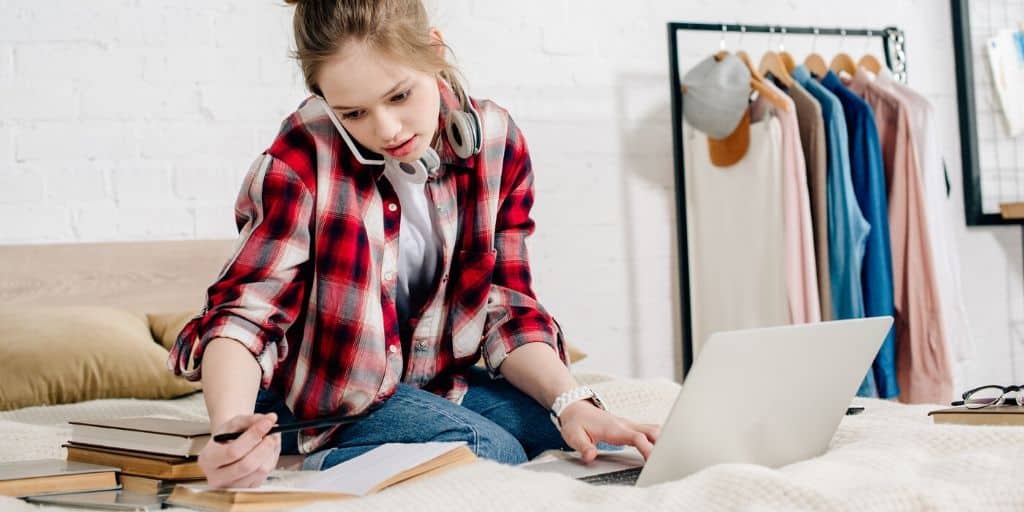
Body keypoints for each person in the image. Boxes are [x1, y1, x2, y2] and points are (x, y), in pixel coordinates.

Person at [168, 0, 660, 490]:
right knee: (489, 449)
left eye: (399, 96)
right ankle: (297, 466)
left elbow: (506, 307)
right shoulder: (304, 153)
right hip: (323, 399)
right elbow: (244, 314)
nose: (386, 129)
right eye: (354, 112)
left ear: (435, 51)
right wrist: (229, 432)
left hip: (428, 389)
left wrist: (570, 402)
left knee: (573, 437)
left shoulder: (496, 142)